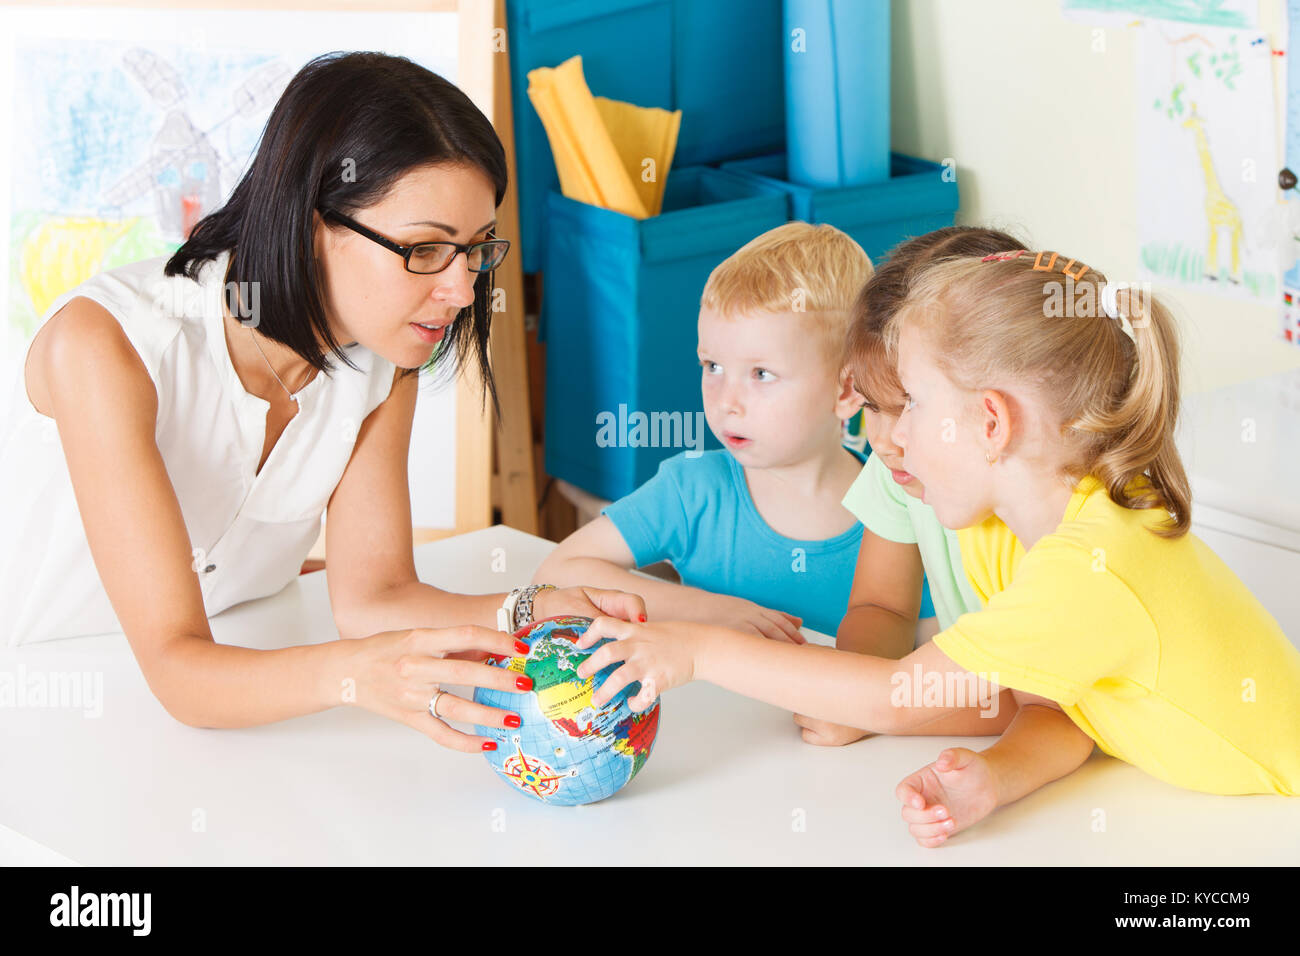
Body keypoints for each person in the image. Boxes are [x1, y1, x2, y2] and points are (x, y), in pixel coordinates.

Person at [0, 52, 642, 753]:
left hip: (220, 697)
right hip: (40, 695)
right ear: (311, 224)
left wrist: (529, 609)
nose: (461, 291)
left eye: (476, 250)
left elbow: (376, 598)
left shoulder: (381, 356)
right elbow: (178, 667)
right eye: (425, 249)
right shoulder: (105, 346)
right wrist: (355, 678)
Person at [570, 247, 1300, 846]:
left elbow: (897, 694)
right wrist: (991, 779)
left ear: (989, 424)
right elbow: (1061, 704)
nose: (888, 436)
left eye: (910, 405)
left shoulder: (1088, 568)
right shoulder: (1011, 529)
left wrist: (695, 649)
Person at [533, 222, 886, 641]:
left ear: (847, 389)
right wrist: (707, 611)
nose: (726, 401)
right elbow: (558, 571)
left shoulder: (901, 510)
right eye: (712, 366)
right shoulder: (692, 489)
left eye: (761, 373)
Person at [797, 225, 1027, 747]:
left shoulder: (1042, 505)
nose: (883, 439)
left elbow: (1050, 701)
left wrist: (879, 710)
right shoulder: (901, 462)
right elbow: (883, 608)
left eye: (908, 409)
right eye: (871, 407)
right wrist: (855, 688)